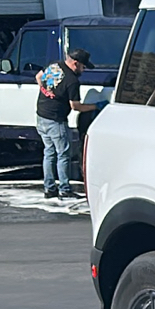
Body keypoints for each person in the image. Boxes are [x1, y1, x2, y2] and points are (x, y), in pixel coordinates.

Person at [35, 48, 96, 199]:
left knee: (49, 153)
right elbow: (75, 106)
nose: (84, 69)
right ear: (76, 63)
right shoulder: (72, 81)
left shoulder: (54, 65)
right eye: (83, 66)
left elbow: (38, 76)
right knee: (63, 154)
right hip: (56, 120)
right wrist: (96, 106)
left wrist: (47, 92)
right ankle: (64, 189)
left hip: (41, 115)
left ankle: (49, 188)